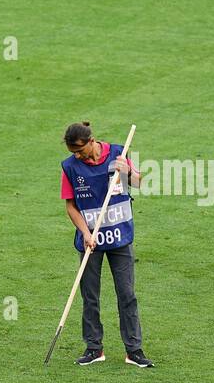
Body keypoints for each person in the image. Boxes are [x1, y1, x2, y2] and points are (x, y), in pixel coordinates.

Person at [60, 121, 152, 368]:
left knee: (127, 295)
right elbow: (71, 206)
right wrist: (85, 233)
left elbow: (140, 182)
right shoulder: (70, 168)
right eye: (73, 152)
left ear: (91, 141)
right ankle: (93, 348)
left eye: (79, 150)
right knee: (90, 297)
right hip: (90, 242)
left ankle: (134, 350)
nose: (77, 155)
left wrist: (128, 171)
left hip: (120, 238)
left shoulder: (118, 154)